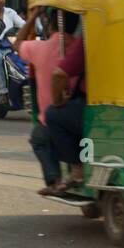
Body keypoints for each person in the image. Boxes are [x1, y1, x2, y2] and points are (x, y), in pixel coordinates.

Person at [14, 8, 65, 192]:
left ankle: (55, 181)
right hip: (78, 109)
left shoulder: (41, 48)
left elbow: (17, 43)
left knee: (39, 139)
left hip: (54, 115)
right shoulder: (78, 45)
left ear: (49, 26)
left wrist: (32, 17)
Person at [44, 12, 87, 193]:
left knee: (53, 114)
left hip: (94, 105)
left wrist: (58, 101)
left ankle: (77, 168)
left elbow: (59, 74)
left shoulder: (88, 38)